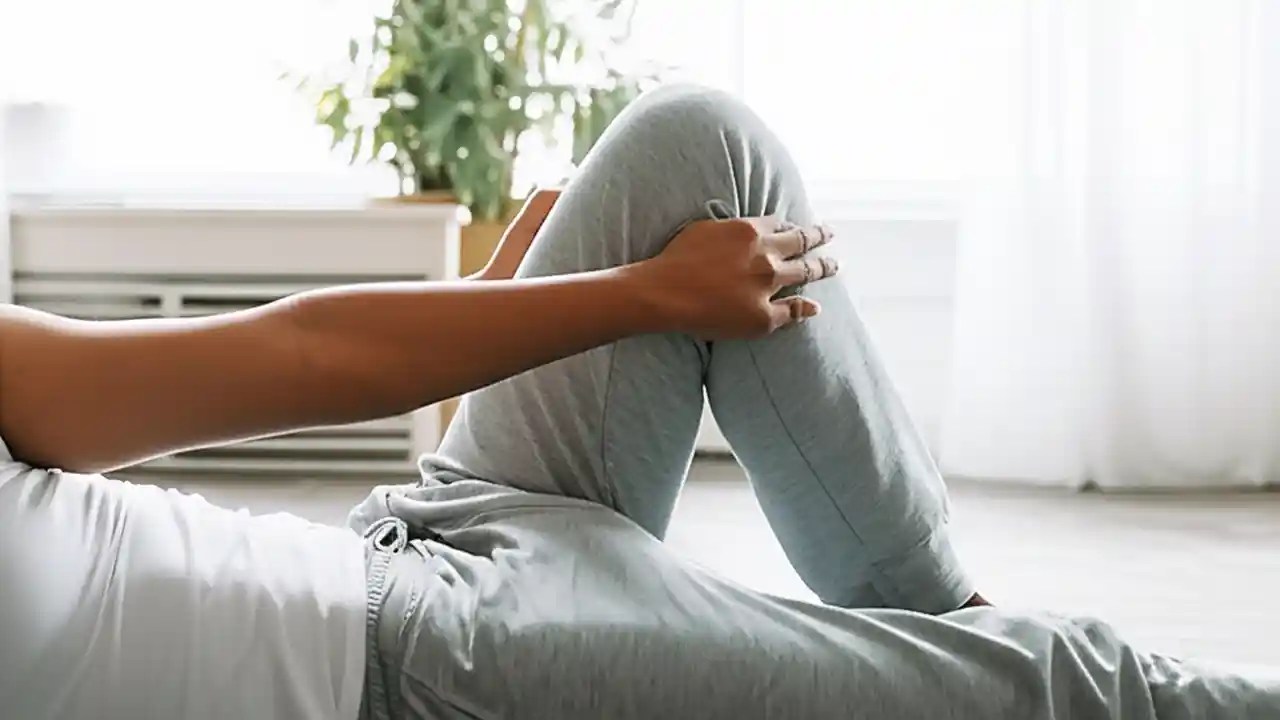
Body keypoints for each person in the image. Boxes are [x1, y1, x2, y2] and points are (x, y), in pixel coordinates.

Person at [0, 85, 1275, 720]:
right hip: (435, 674)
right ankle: (964, 679)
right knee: (1075, 680)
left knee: (696, 145)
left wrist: (508, 315)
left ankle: (929, 628)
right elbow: (309, 361)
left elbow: (294, 355)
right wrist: (645, 299)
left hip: (412, 534)